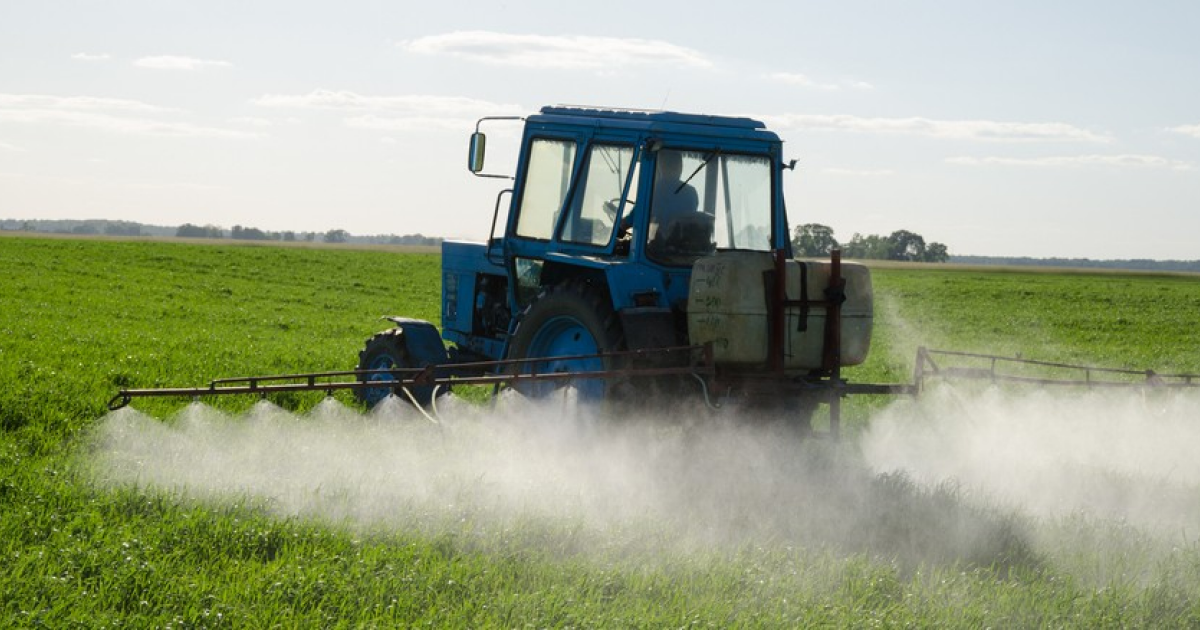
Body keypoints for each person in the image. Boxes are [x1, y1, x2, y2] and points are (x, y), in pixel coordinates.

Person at [649, 150, 710, 256]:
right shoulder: (691, 192)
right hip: (684, 248)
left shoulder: (651, 191)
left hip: (659, 249)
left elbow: (635, 217)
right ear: (680, 168)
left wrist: (621, 230)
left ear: (660, 166)